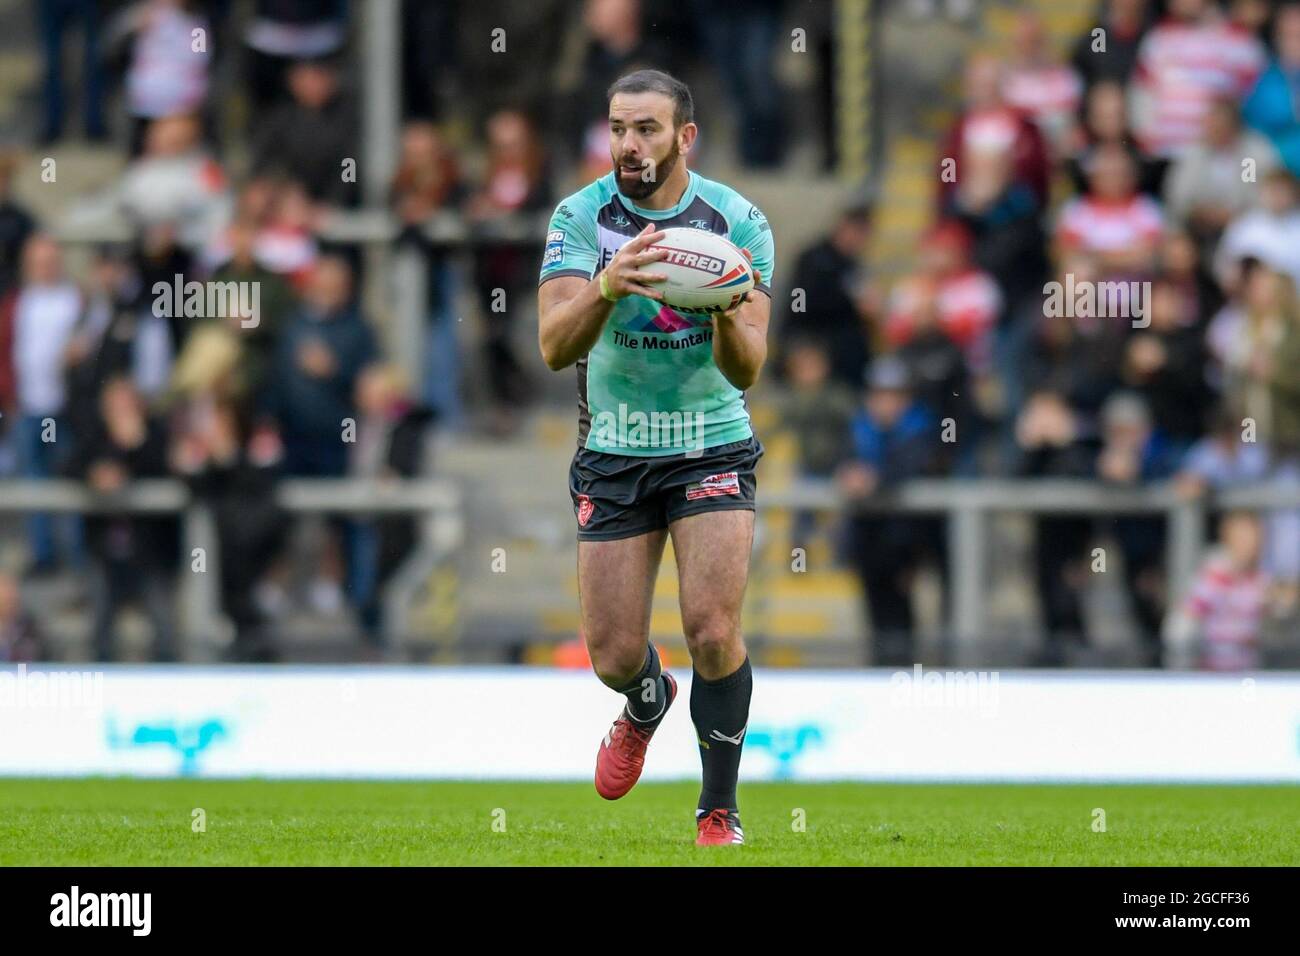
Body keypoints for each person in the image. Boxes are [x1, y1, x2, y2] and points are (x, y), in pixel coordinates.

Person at [537, 70, 774, 847]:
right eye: (617, 128)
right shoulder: (579, 218)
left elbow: (747, 369)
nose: (628, 144)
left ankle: (718, 809)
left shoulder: (738, 221)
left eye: (645, 128)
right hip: (615, 446)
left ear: (684, 136)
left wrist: (725, 305)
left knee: (711, 626)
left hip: (710, 438)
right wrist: (606, 286)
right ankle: (646, 699)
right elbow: (551, 346)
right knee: (609, 653)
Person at [837, 357, 943, 666]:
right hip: (868, 541)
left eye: (892, 395)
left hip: (907, 545)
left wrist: (876, 478)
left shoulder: (921, 428)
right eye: (879, 394)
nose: (885, 403)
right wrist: (848, 473)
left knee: (903, 624)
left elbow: (917, 465)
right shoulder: (859, 428)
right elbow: (841, 460)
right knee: (876, 621)